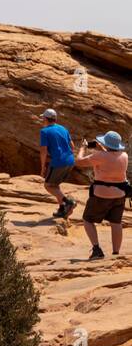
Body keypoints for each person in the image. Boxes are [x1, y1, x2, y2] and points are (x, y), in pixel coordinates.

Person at [73, 131, 129, 260]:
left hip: (101, 195)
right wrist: (102, 149)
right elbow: (111, 156)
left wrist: (83, 148)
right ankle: (116, 253)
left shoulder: (99, 156)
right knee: (116, 222)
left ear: (105, 143)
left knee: (87, 220)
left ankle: (97, 249)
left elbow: (79, 162)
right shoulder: (124, 155)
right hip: (120, 194)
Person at [38, 108, 77, 218]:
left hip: (58, 162)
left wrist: (43, 167)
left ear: (45, 118)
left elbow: (43, 150)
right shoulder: (63, 129)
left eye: (43, 118)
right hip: (70, 160)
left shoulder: (44, 131)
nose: (42, 120)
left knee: (48, 186)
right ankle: (62, 208)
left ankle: (68, 201)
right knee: (55, 185)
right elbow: (72, 146)